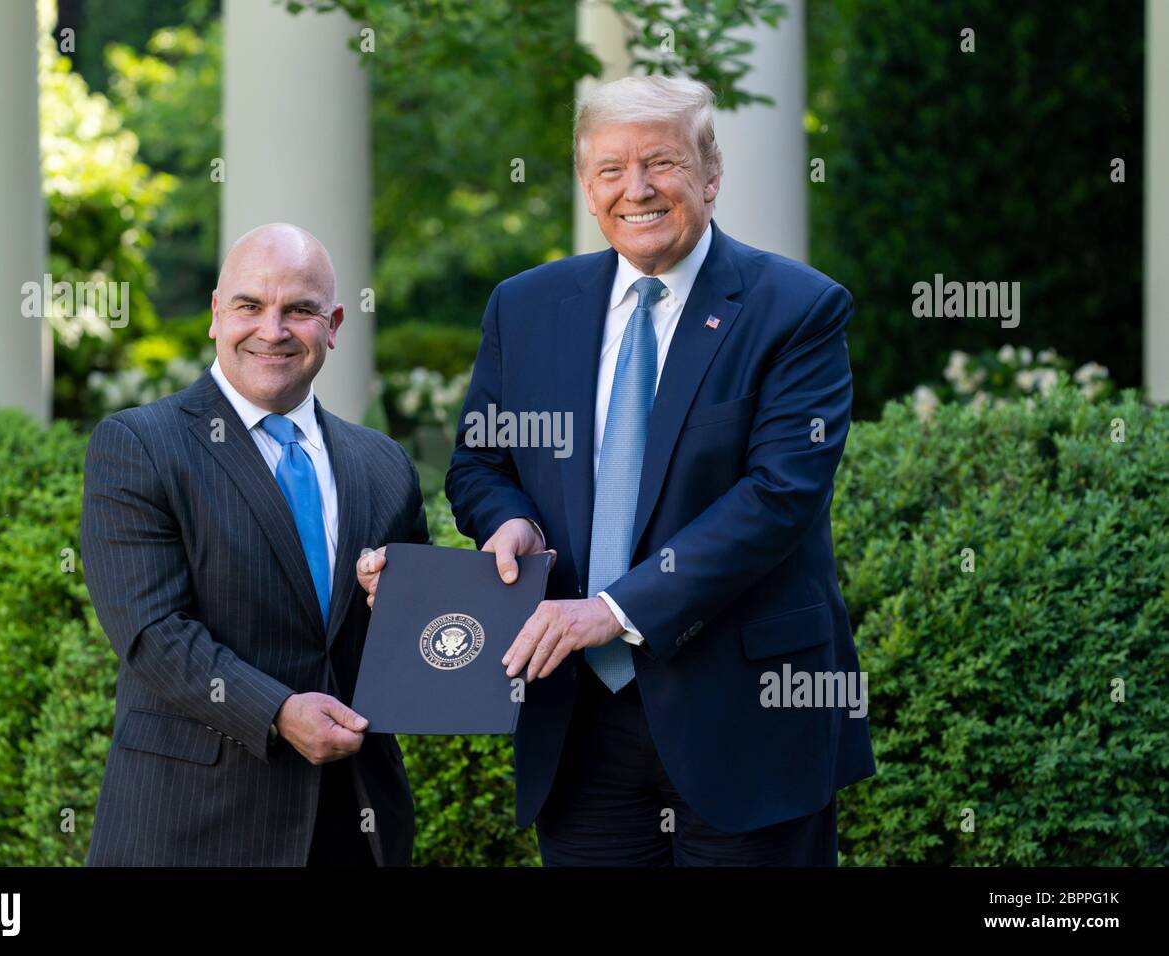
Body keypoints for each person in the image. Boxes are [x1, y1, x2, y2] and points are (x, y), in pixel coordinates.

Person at [361, 75, 875, 865]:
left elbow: (780, 497)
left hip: (746, 718)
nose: (636, 189)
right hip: (576, 723)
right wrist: (511, 522)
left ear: (710, 173)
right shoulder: (526, 307)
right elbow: (478, 462)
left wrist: (614, 609)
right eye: (610, 169)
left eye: (661, 163)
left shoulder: (796, 309)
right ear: (586, 185)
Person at [82, 223, 426, 866]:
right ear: (216, 314)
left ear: (335, 324)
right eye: (249, 305)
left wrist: (403, 604)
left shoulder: (384, 464)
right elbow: (153, 633)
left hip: (354, 825)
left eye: (300, 309)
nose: (273, 330)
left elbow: (409, 642)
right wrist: (278, 711)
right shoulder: (139, 446)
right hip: (194, 825)